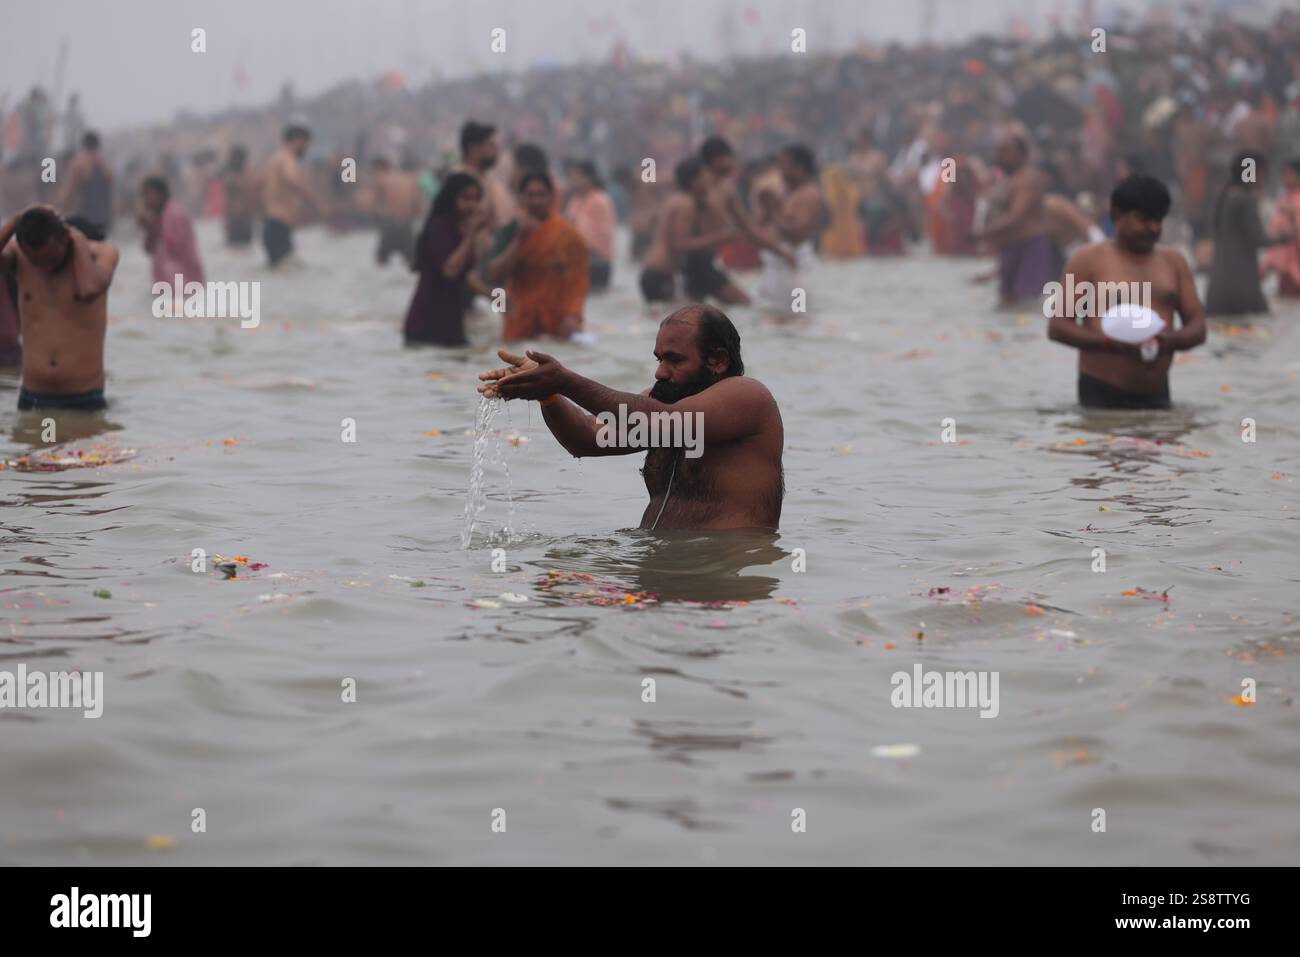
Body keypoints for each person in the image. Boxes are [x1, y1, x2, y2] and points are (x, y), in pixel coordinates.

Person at [477, 303, 784, 531]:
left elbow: (667, 424)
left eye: (674, 360)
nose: (660, 371)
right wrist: (547, 393)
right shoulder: (663, 399)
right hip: (661, 568)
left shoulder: (748, 397)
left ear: (718, 361)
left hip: (721, 582)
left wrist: (566, 381)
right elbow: (585, 438)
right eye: (659, 358)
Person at [1047, 175, 1206, 410]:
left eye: (1158, 219)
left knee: (1164, 446)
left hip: (1157, 394)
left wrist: (1169, 340)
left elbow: (1198, 327)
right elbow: (1058, 327)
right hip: (1101, 394)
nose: (1153, 227)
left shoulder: (1175, 262)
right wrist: (1109, 343)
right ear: (1117, 215)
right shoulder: (1086, 260)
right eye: (1143, 219)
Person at [0, 205, 119, 410]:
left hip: (83, 399)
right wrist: (16, 222)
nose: (44, 267)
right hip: (32, 398)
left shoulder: (101, 254)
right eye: (35, 262)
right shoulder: (20, 258)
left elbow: (89, 289)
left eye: (50, 259)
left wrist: (77, 238)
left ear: (65, 238)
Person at [486, 172, 588, 341]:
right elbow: (495, 274)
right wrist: (519, 240)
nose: (535, 201)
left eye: (541, 195)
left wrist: (573, 315)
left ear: (551, 197)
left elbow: (578, 281)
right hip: (519, 321)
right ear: (521, 198)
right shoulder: (510, 230)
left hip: (556, 323)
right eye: (530, 195)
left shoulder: (568, 235)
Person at [403, 173, 488, 346]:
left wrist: (493, 296)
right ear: (451, 198)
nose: (471, 205)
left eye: (476, 199)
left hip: (451, 323)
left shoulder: (462, 230)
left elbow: (464, 274)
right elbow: (450, 270)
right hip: (427, 323)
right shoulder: (439, 227)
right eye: (465, 198)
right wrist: (471, 236)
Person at [1206, 154, 1292, 316]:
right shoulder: (1245, 199)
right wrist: (1284, 237)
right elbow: (1260, 239)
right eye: (1260, 173)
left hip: (1220, 283)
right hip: (1241, 283)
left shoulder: (1226, 195)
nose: (1262, 178)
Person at [638, 159, 729, 305]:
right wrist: (719, 238)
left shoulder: (675, 200)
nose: (709, 182)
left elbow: (653, 222)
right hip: (659, 274)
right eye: (705, 177)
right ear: (695, 181)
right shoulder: (686, 204)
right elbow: (679, 244)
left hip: (656, 272)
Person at [978, 132, 1054, 305]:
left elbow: (1017, 217)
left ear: (1021, 155)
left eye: (1004, 152)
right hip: (1009, 249)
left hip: (1028, 249)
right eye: (997, 151)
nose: (998, 156)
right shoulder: (1006, 180)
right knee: (1008, 305)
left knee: (1025, 304)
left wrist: (982, 234)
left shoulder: (1027, 179)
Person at [757, 143, 823, 309]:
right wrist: (766, 205)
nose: (780, 170)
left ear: (799, 168)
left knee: (798, 316)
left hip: (796, 267)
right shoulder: (785, 191)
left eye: (784, 165)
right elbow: (760, 225)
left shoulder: (810, 194)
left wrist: (772, 210)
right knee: (773, 315)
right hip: (776, 265)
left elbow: (797, 234)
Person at [260, 124, 320, 267]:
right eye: (306, 144)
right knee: (291, 272)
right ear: (298, 141)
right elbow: (291, 179)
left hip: (273, 225)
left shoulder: (275, 159)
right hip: (278, 226)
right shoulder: (287, 159)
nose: (306, 148)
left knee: (283, 272)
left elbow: (257, 185)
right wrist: (313, 200)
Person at [138, 176, 204, 290]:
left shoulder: (175, 215)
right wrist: (149, 229)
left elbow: (173, 247)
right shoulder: (156, 216)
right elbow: (148, 249)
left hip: (184, 281)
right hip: (166, 284)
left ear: (160, 194)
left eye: (147, 195)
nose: (145, 200)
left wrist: (152, 228)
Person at [563, 160, 616, 292]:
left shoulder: (600, 200)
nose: (573, 182)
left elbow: (585, 238)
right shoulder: (575, 200)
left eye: (577, 178)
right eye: (571, 178)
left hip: (597, 263)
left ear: (590, 178)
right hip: (580, 258)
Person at [455, 121, 515, 235]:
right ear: (473, 149)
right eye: (491, 145)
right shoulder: (459, 180)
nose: (496, 151)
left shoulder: (486, 179)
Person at [370, 156, 424, 268]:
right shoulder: (412, 180)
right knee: (411, 264)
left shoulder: (382, 179)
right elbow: (418, 209)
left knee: (381, 263)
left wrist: (379, 218)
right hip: (406, 226)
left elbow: (375, 207)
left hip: (389, 224)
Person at [62, 131, 113, 236]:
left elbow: (71, 191)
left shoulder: (78, 164)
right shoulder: (105, 164)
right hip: (103, 217)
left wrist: (62, 211)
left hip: (84, 217)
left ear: (83, 145)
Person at [1261, 158, 1300, 297]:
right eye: (1284, 174)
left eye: (1289, 174)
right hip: (1284, 264)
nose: (1285, 178)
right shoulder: (1283, 199)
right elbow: (1276, 229)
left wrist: (1293, 216)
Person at [222, 145, 257, 247]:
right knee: (236, 248)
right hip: (234, 219)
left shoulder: (247, 174)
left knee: (242, 248)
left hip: (243, 218)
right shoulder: (229, 175)